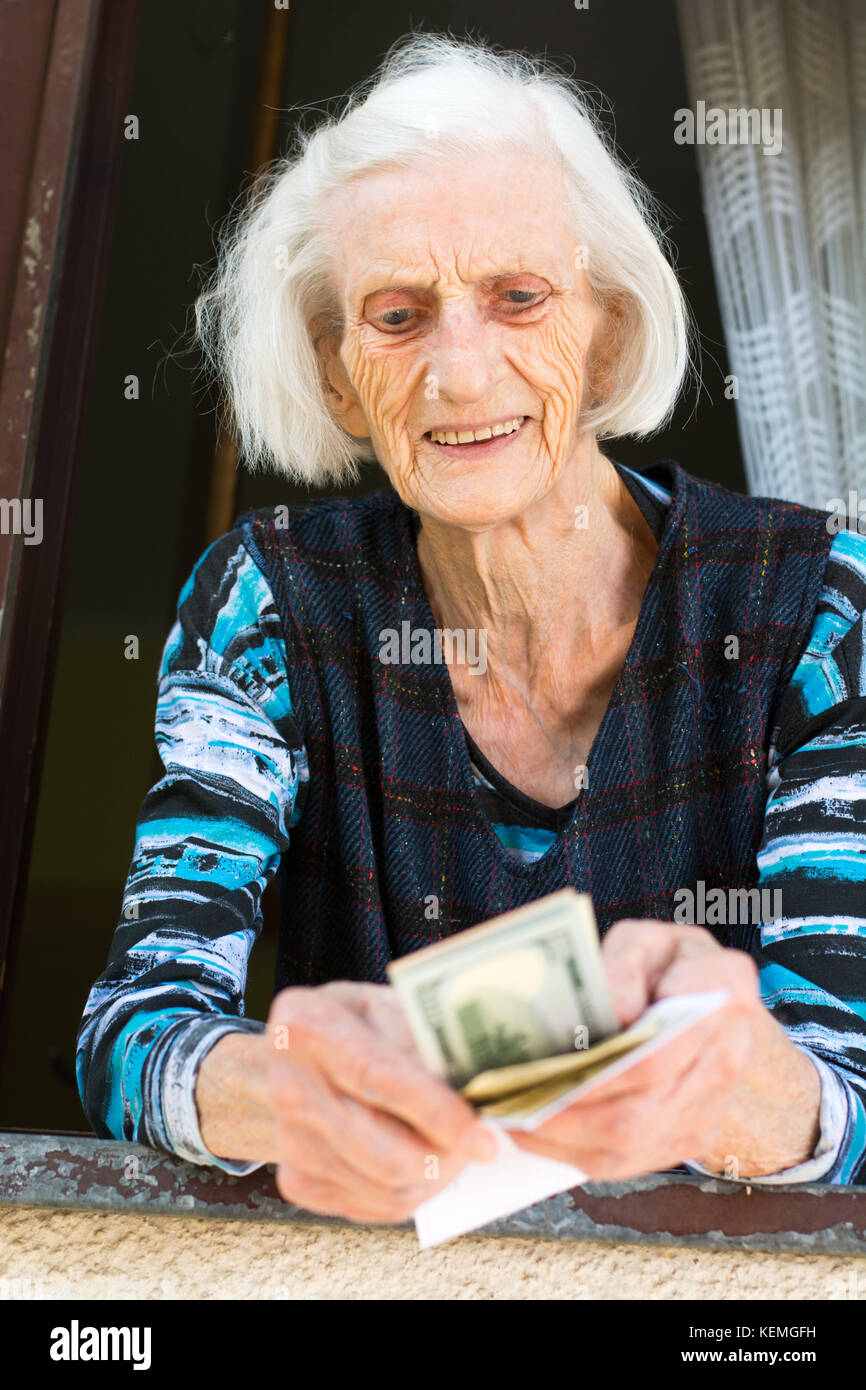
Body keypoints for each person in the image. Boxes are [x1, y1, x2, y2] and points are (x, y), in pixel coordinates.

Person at [77, 33, 866, 1226]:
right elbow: (130, 1026)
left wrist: (734, 1085)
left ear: (601, 330)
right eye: (396, 316)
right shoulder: (265, 609)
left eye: (517, 298)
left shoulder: (819, 609)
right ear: (338, 378)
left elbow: (844, 1098)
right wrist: (268, 1091)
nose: (459, 370)